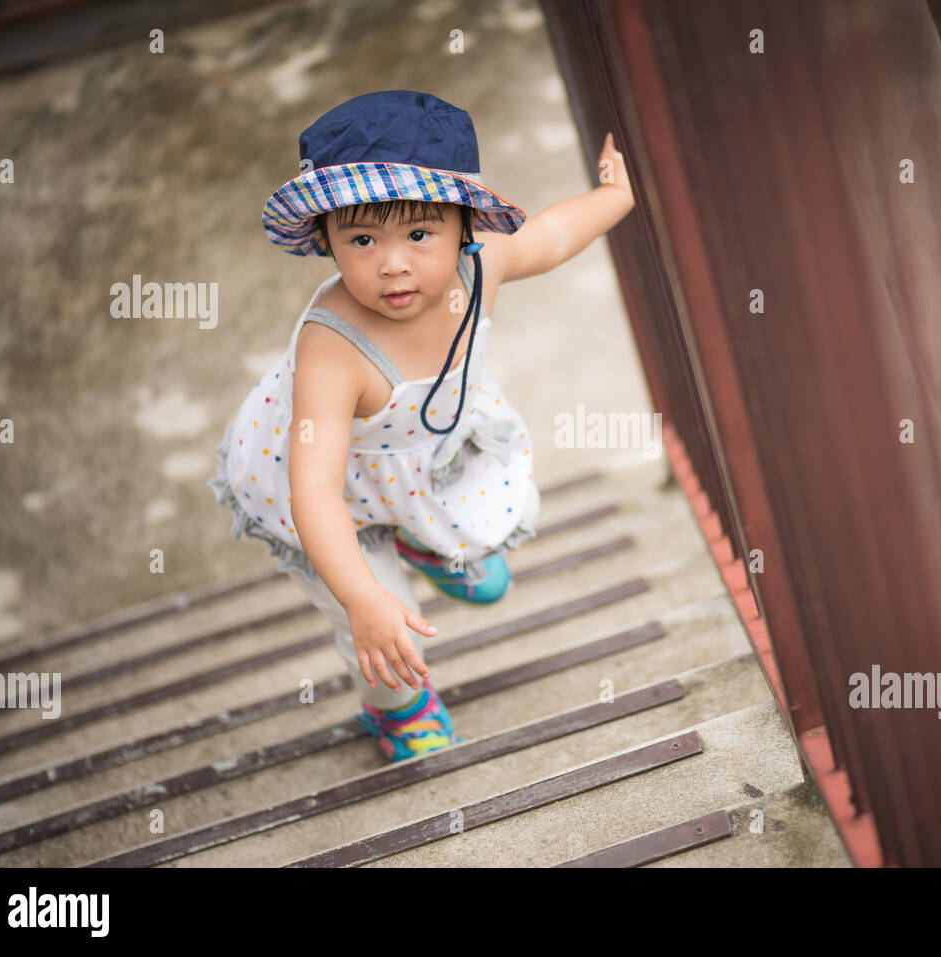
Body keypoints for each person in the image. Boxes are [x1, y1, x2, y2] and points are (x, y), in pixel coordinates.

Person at [208, 90, 635, 763]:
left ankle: (419, 539)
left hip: (414, 448)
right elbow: (314, 490)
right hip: (317, 492)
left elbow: (551, 236)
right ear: (325, 241)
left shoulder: (481, 264)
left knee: (496, 555)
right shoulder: (334, 346)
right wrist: (362, 596)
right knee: (376, 625)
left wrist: (617, 196)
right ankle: (400, 708)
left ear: (467, 226)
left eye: (418, 233)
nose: (393, 263)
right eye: (361, 239)